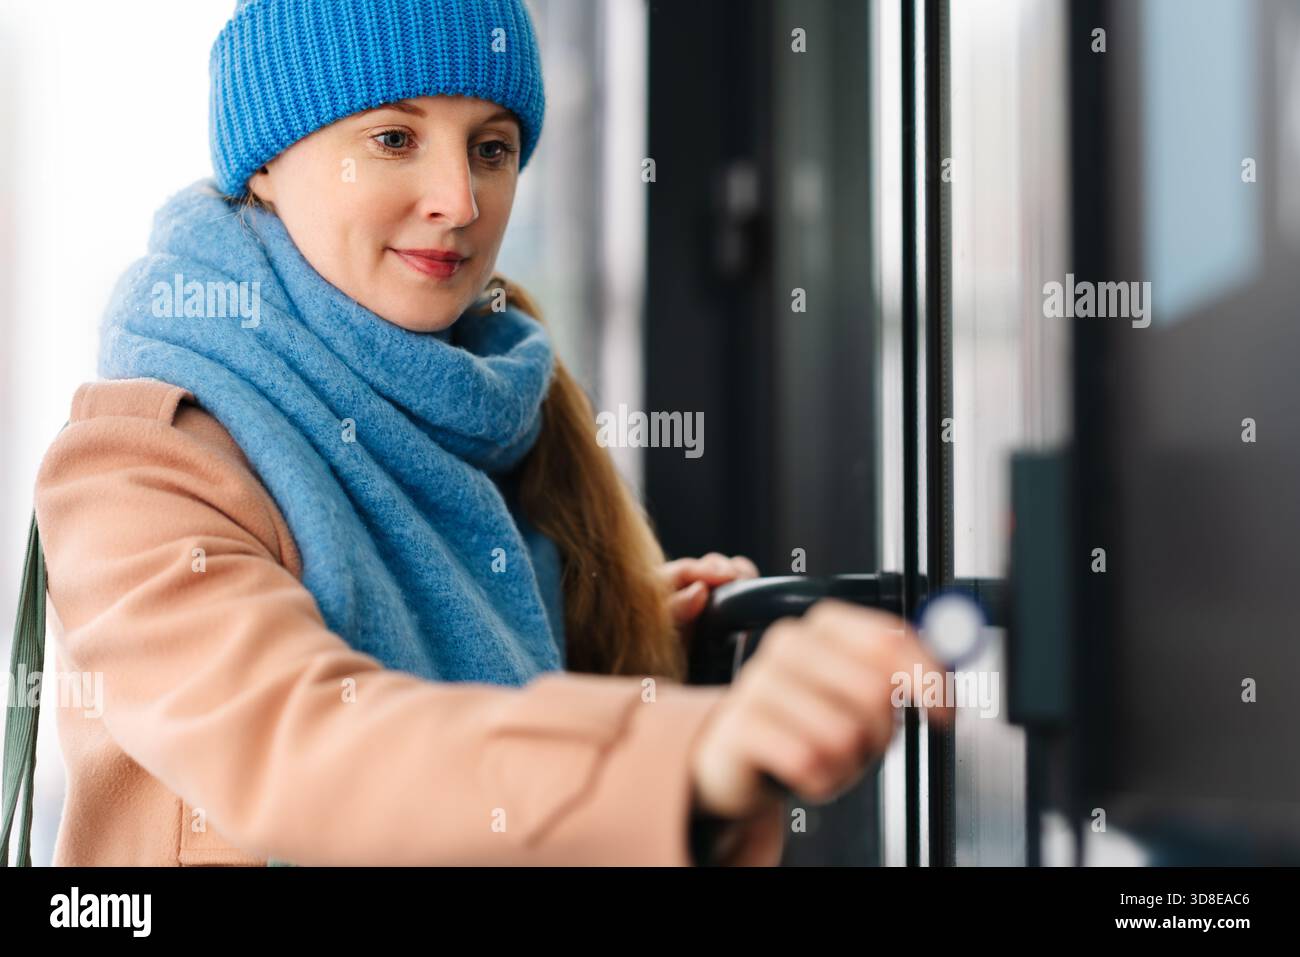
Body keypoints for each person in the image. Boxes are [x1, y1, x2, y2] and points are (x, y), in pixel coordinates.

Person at [32, 0, 948, 867]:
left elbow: (468, 705)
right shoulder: (139, 465)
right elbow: (303, 743)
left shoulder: (494, 406)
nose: (460, 200)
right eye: (394, 138)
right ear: (264, 162)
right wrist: (683, 751)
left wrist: (638, 641)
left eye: (493, 147)